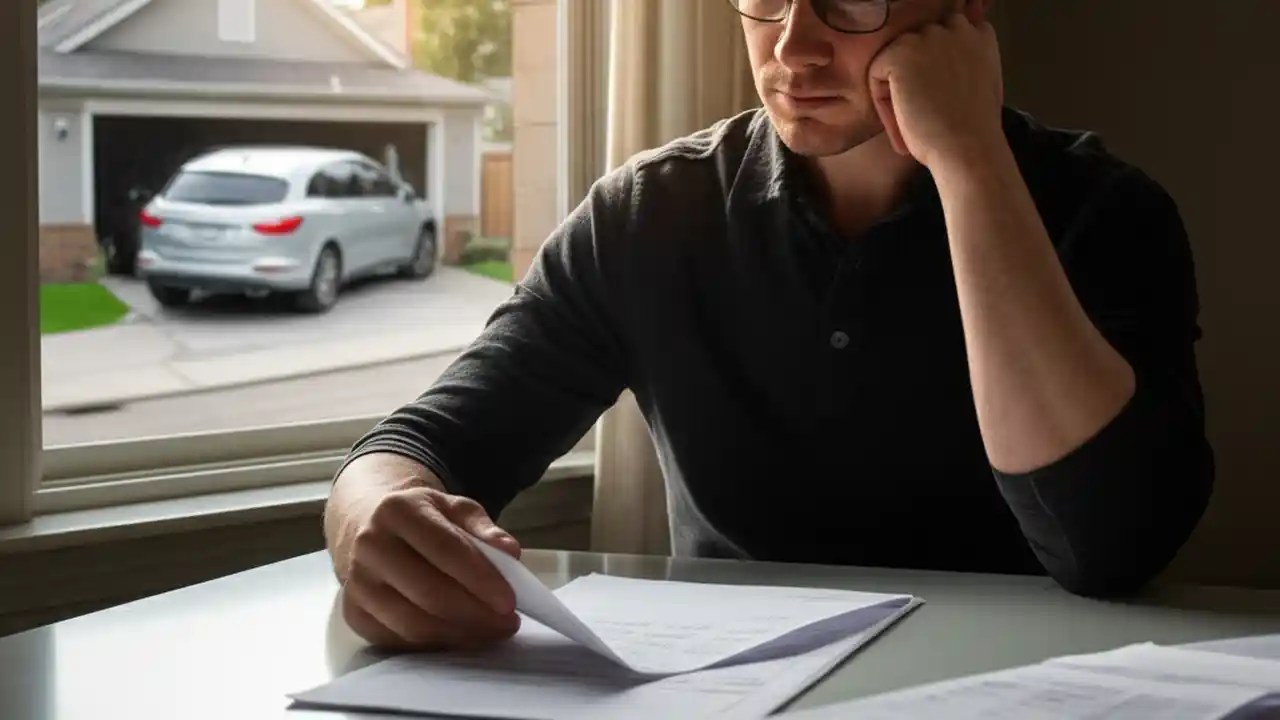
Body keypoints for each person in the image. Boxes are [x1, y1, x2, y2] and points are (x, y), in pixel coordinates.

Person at [324, 0, 1213, 650]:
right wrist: (370, 515)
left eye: (850, 2)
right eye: (766, 0)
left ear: (964, 15)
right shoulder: (649, 215)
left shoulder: (1105, 213)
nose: (795, 45)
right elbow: (424, 444)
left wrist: (970, 160)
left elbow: (1111, 550)